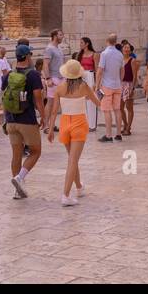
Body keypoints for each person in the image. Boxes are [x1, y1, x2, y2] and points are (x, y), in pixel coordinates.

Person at [46, 60, 102, 206]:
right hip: (79, 124)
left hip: (65, 123)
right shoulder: (83, 86)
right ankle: (65, 195)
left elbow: (53, 112)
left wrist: (51, 129)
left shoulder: (59, 88)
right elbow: (98, 103)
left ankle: (79, 187)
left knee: (72, 158)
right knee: (73, 160)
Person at [3, 49, 46, 198]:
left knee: (16, 154)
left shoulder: (9, 74)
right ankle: (19, 178)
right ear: (27, 56)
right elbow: (38, 99)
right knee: (36, 151)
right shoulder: (33, 75)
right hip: (27, 120)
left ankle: (17, 191)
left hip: (11, 120)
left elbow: (4, 93)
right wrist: (44, 116)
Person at [94, 34, 125, 142]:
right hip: (117, 85)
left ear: (107, 41)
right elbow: (122, 71)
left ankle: (108, 135)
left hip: (107, 85)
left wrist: (97, 85)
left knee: (106, 110)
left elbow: (100, 70)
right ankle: (118, 134)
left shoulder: (104, 54)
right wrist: (120, 81)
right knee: (117, 109)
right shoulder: (120, 54)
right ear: (116, 42)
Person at [42, 29, 67, 115]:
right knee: (50, 102)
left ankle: (52, 124)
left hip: (61, 78)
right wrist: (48, 79)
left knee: (59, 103)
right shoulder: (49, 49)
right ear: (55, 36)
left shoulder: (59, 48)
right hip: (53, 78)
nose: (62, 37)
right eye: (60, 35)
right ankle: (46, 125)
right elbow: (45, 64)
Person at [119, 41, 140, 136]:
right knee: (120, 108)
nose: (126, 49)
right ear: (122, 49)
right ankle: (126, 125)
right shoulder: (119, 60)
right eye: (125, 47)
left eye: (128, 48)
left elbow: (135, 76)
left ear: (130, 50)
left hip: (129, 84)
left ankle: (128, 128)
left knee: (129, 107)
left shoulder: (133, 61)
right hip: (120, 85)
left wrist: (132, 88)